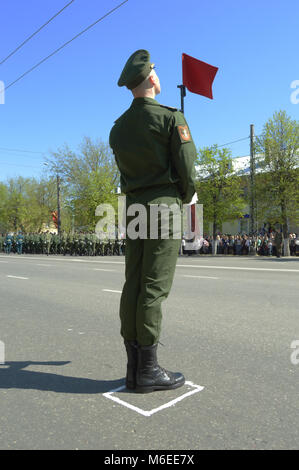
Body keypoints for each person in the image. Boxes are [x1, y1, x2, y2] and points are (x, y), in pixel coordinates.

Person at [109, 49, 197, 393]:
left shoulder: (118, 129)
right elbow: (186, 167)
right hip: (163, 207)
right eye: (156, 72)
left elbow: (125, 174)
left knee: (133, 283)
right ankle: (148, 371)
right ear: (150, 78)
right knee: (154, 288)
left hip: (133, 208)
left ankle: (133, 369)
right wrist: (188, 194)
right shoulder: (171, 118)